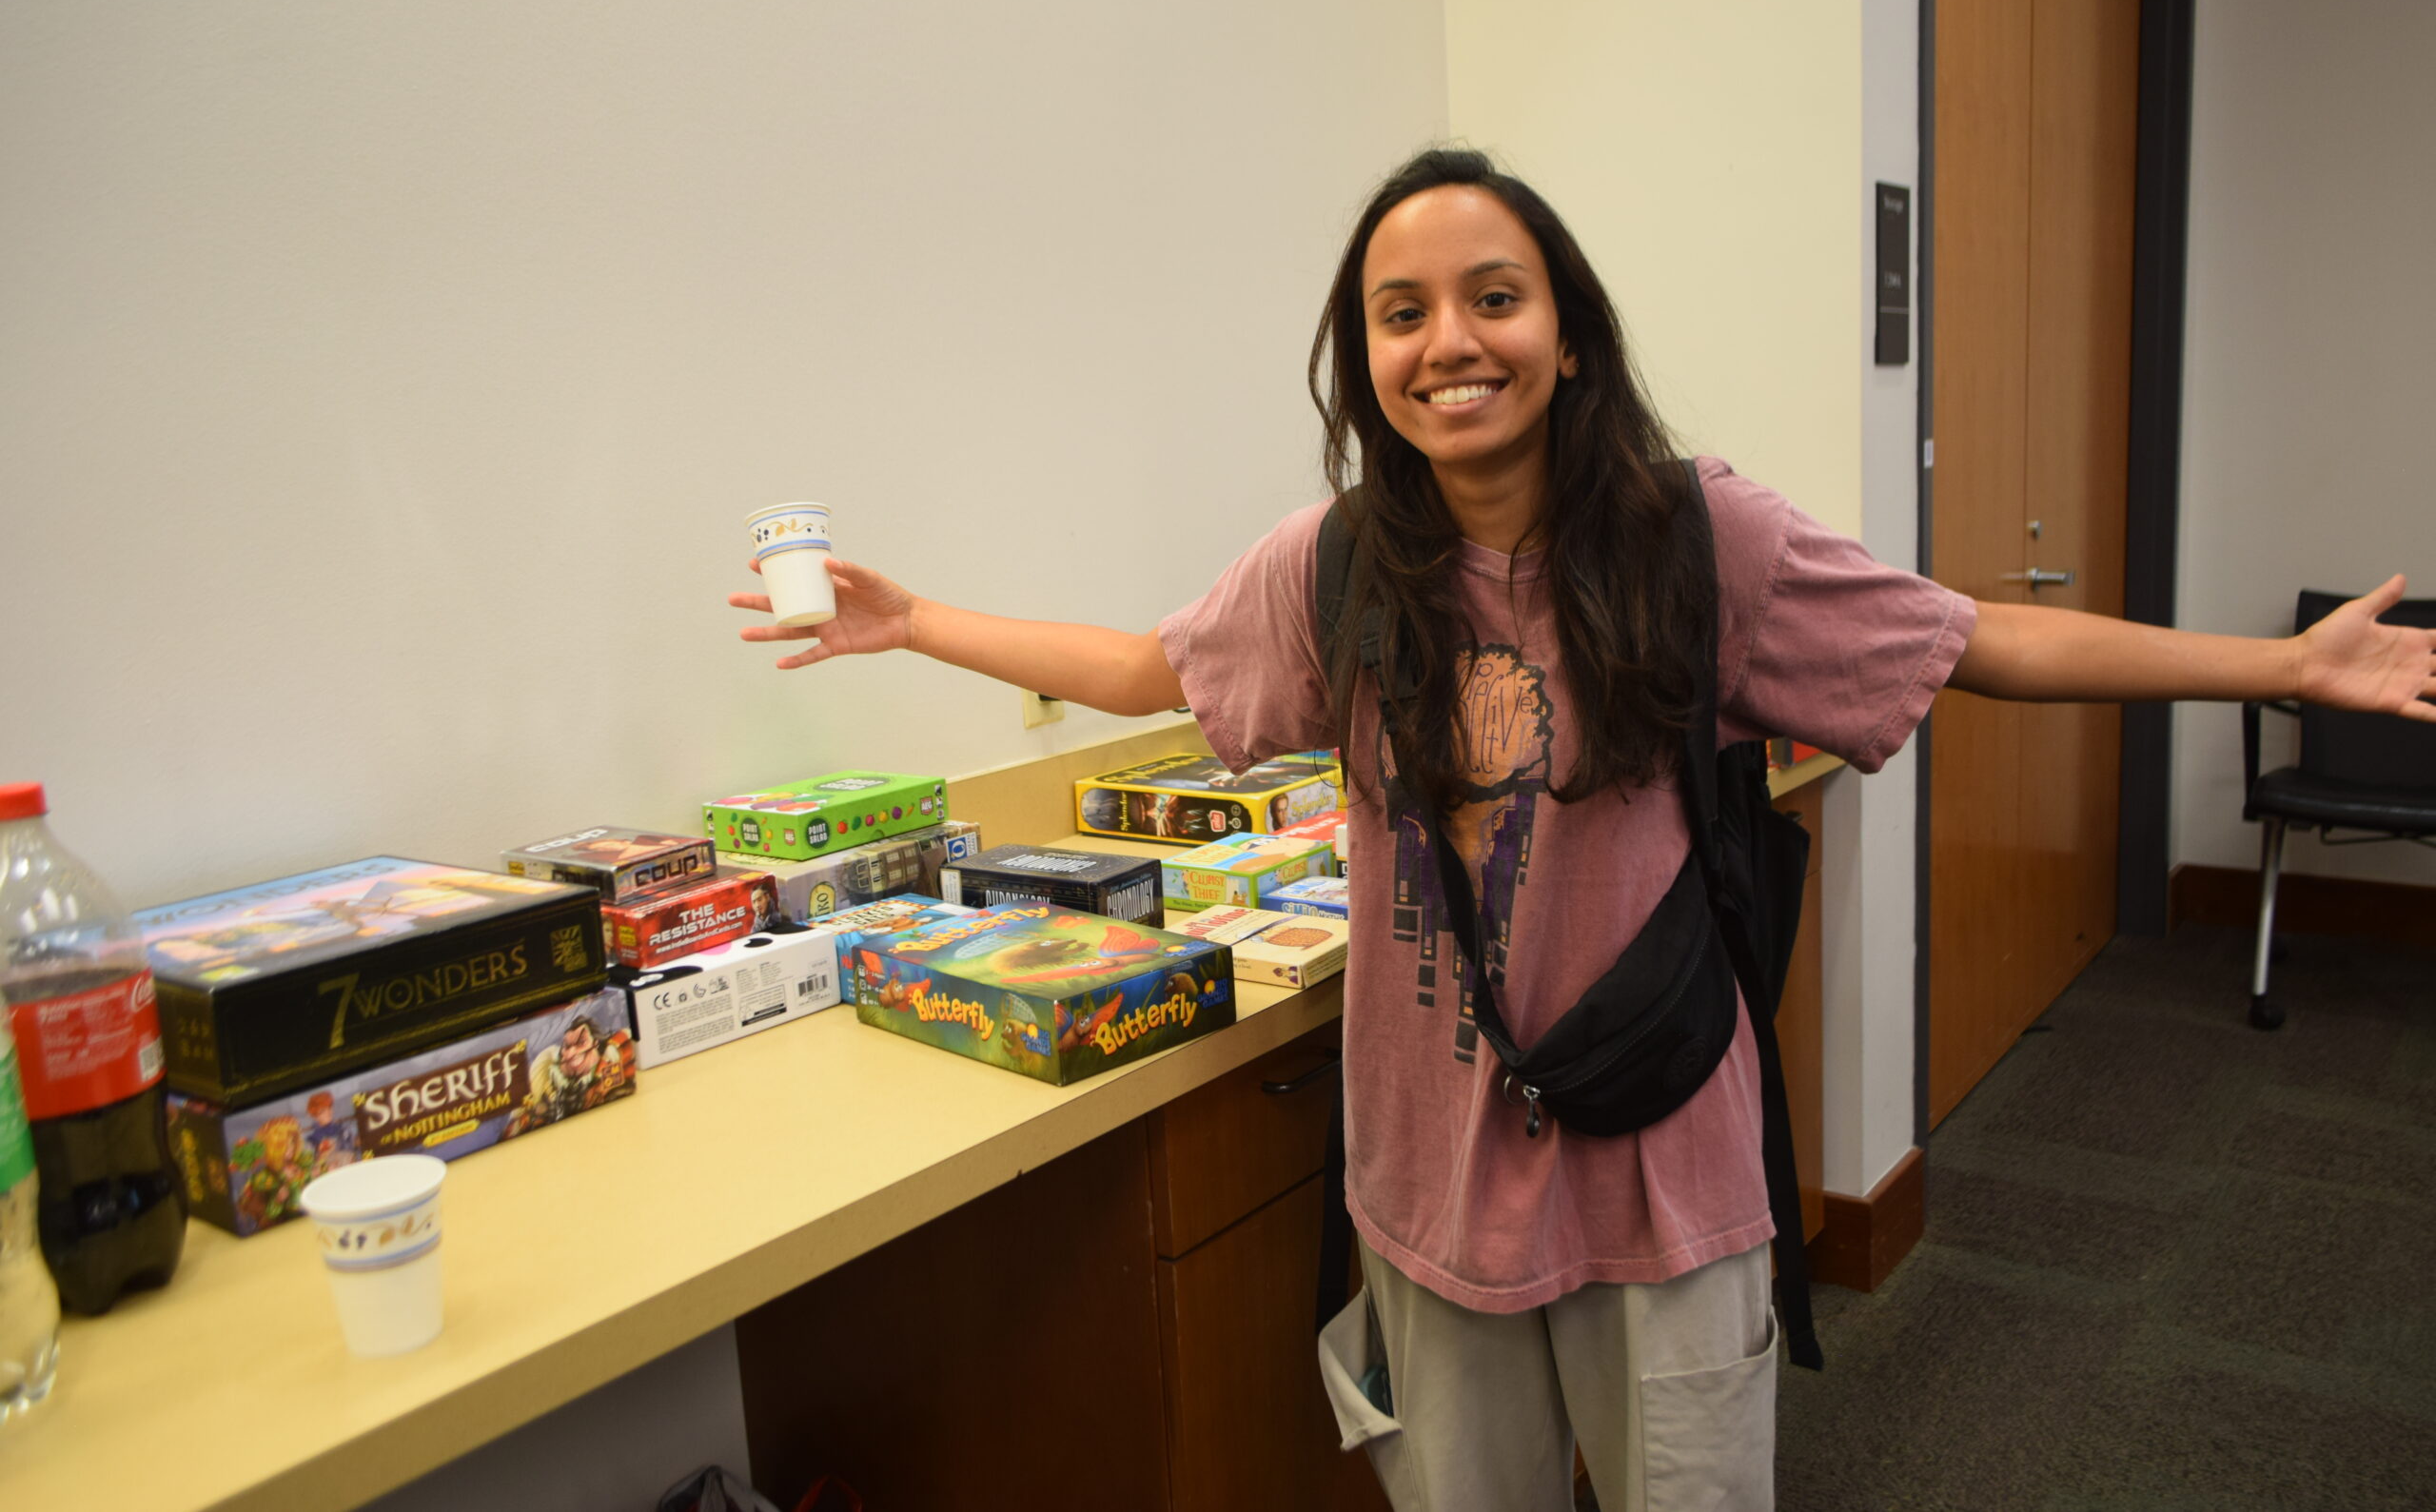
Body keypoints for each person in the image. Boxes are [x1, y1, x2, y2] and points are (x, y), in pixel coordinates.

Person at [727, 148, 2435, 1510]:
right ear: (1365, 357)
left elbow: (1971, 638)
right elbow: (1144, 667)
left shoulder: (1701, 540)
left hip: (1661, 1174)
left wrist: (2281, 665)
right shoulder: (1333, 565)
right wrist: (916, 621)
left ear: (1566, 330)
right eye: (1402, 312)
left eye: (1494, 296)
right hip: (1429, 1184)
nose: (1450, 342)